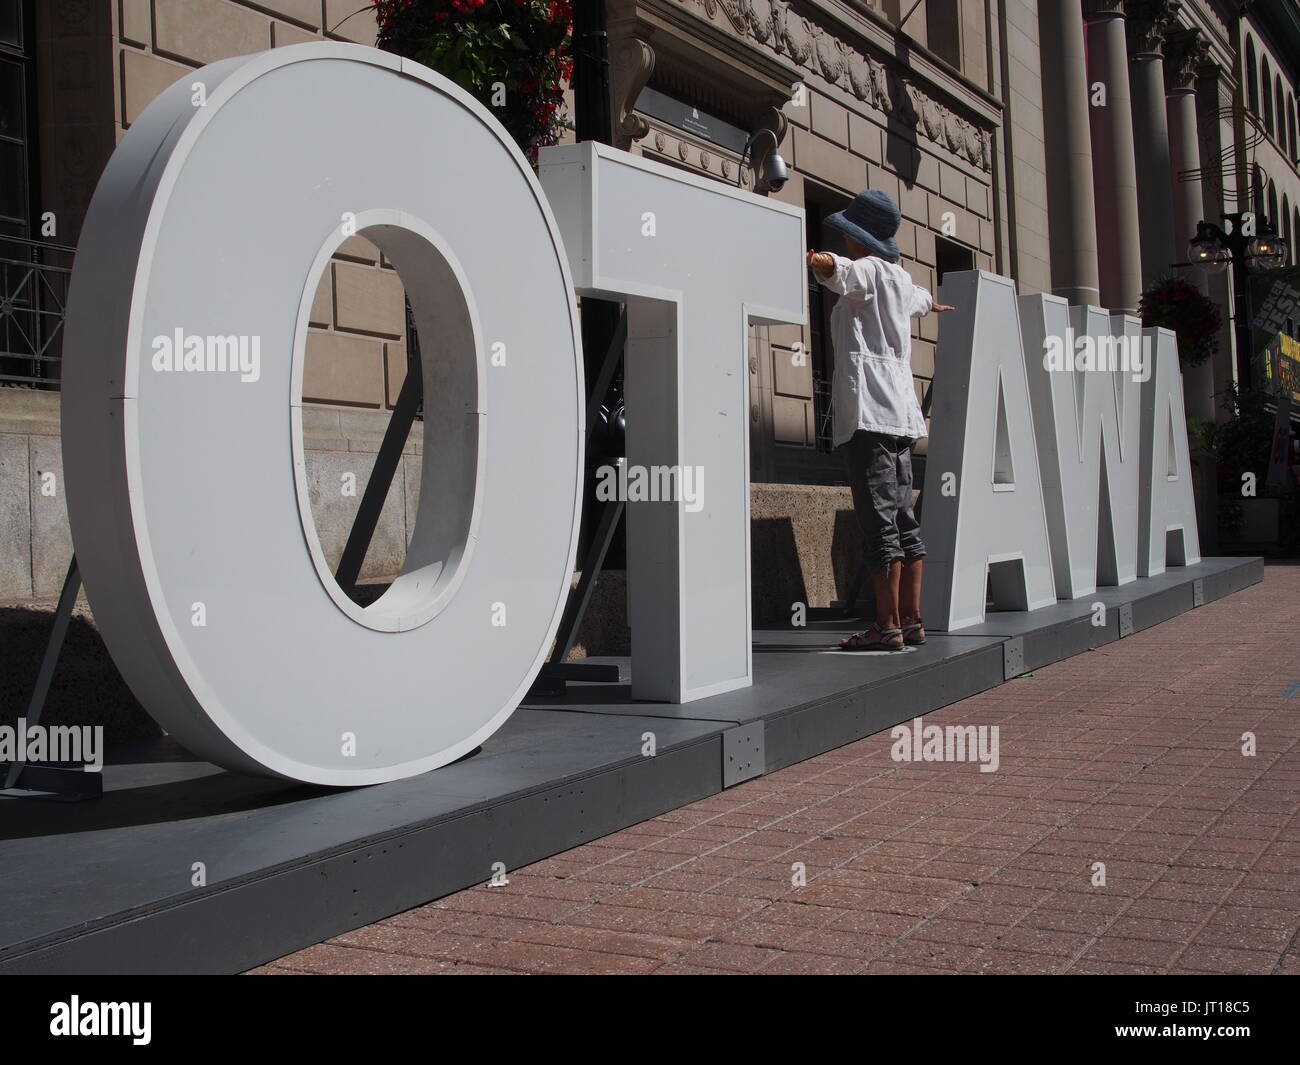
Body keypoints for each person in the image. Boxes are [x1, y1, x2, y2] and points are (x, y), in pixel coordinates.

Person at [807, 189, 953, 651]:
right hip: (901, 416)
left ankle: (887, 625)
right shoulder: (900, 278)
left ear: (858, 237)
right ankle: (912, 620)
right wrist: (933, 305)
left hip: (870, 412)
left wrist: (817, 260)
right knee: (904, 517)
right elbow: (921, 297)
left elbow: (842, 271)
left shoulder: (867, 270)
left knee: (878, 521)